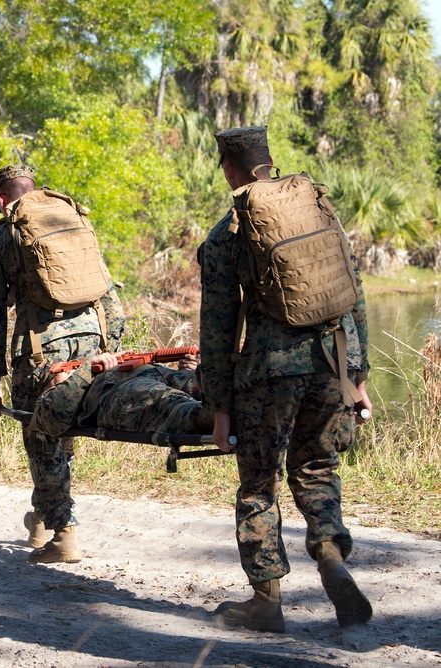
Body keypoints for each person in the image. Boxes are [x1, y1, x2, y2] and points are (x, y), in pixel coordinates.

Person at [198, 126, 374, 632]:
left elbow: (217, 330)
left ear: (229, 169)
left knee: (259, 483)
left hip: (271, 374)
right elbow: (354, 297)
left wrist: (220, 407)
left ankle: (266, 602)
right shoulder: (322, 212)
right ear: (270, 162)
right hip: (335, 360)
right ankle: (330, 556)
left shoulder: (229, 233)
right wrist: (356, 378)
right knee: (317, 468)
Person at [0, 164, 126, 563]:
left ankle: (64, 533)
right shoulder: (68, 220)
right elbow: (110, 297)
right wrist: (109, 350)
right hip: (93, 341)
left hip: (42, 351)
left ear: (1, 198)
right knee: (64, 430)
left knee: (40, 436)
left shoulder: (1, 240)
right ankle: (42, 517)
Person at [31, 353, 211, 440]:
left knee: (196, 379)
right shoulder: (50, 401)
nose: (68, 372)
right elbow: (53, 420)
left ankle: (224, 400)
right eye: (61, 372)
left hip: (152, 372)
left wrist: (192, 372)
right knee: (159, 399)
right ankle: (209, 417)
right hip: (115, 391)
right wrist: (85, 370)